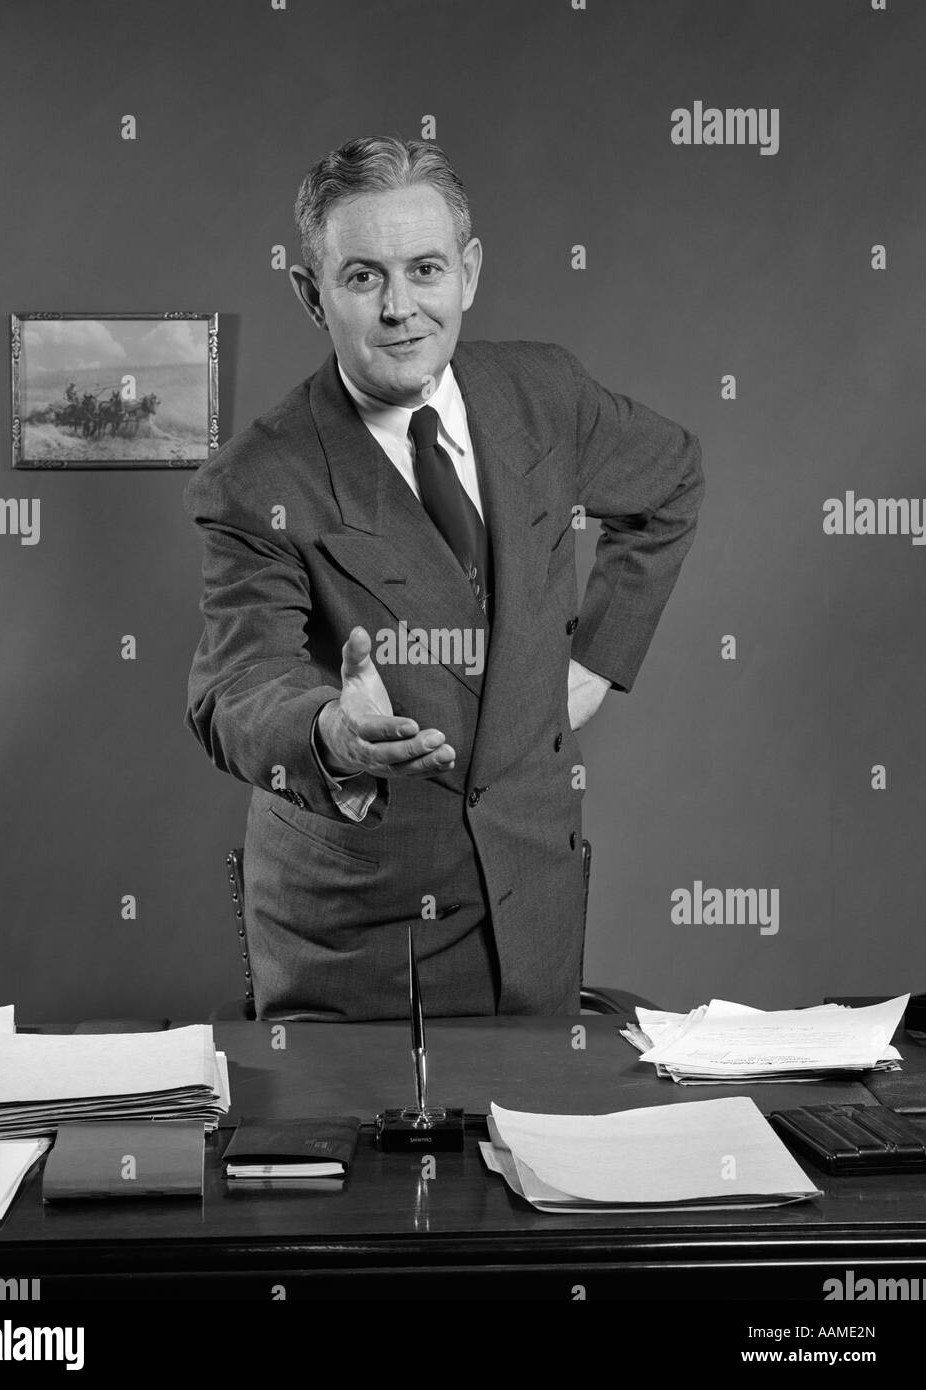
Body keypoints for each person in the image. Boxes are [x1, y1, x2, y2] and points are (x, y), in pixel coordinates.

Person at [184, 135, 704, 1021]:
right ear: (312, 295)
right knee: (369, 1158)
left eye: (424, 269)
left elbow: (670, 479)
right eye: (362, 278)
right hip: (357, 923)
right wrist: (329, 735)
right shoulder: (257, 479)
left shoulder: (544, 392)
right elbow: (233, 688)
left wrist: (594, 661)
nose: (400, 309)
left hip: (533, 888)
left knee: (533, 1146)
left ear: (466, 274)